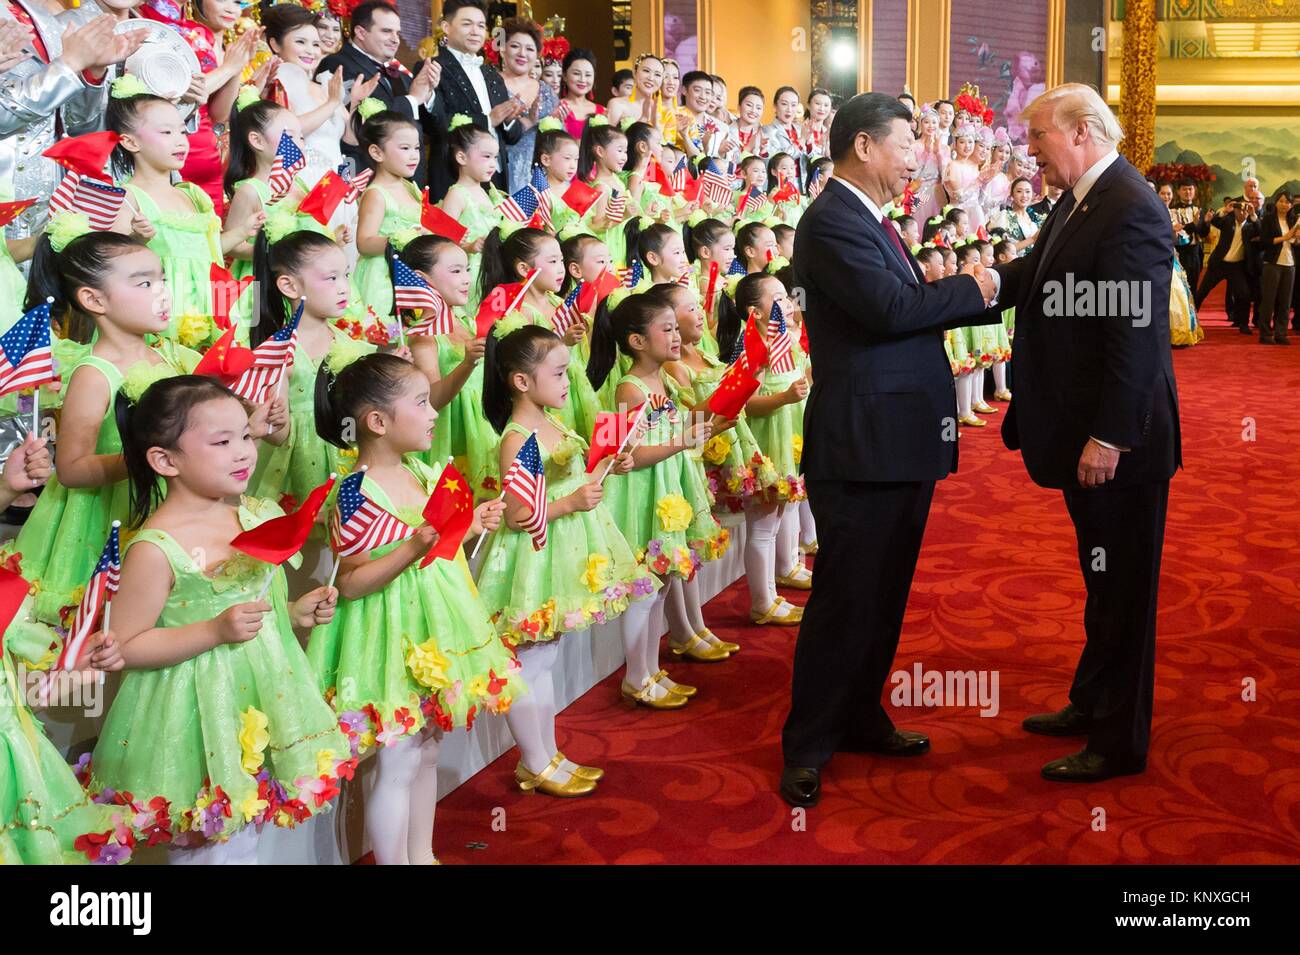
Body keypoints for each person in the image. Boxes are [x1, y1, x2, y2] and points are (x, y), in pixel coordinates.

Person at [779, 92, 998, 809]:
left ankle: (860, 712)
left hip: (899, 439)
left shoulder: (868, 218)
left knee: (884, 593)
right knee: (846, 596)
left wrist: (995, 286)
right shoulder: (833, 221)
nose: (916, 157)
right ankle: (807, 742)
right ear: (864, 146)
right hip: (862, 442)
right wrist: (983, 286)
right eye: (907, 144)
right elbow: (895, 311)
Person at [992, 83, 1179, 783]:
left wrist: (1109, 437)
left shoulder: (1130, 207)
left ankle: (1118, 742)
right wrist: (975, 285)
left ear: (1081, 131)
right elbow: (1037, 277)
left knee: (1125, 595)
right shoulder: (1082, 198)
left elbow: (1136, 340)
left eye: (1038, 136)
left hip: (1120, 447)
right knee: (1102, 584)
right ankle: (1091, 701)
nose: (1030, 150)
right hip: (1084, 437)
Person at [0, 6, 143, 240]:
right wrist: (68, 64)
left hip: (52, 189)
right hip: (7, 186)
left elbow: (75, 124)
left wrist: (92, 73)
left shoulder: (44, 18)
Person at [316, 0, 441, 186]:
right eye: (386, 31)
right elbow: (360, 124)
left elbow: (437, 129)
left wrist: (428, 95)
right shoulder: (337, 65)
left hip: (409, 183)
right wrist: (412, 99)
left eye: (397, 33)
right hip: (366, 177)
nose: (395, 39)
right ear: (360, 32)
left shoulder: (400, 73)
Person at [425, 0, 525, 201]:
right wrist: (488, 120)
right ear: (446, 27)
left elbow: (512, 137)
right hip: (453, 175)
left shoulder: (492, 74)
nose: (475, 31)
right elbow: (436, 123)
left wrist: (509, 120)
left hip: (495, 176)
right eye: (466, 24)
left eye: (481, 26)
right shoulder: (433, 67)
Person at [499, 17, 557, 195]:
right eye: (515, 46)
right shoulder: (491, 83)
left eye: (530, 49)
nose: (522, 54)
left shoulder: (546, 92)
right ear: (503, 49)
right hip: (498, 168)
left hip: (538, 174)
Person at [1193, 196, 1257, 333]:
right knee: (1202, 292)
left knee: (1244, 294)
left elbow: (1260, 230)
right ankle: (1190, 320)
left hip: (1237, 267)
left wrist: (1253, 214)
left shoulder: (1251, 227)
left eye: (1245, 211)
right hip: (1219, 265)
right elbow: (1216, 221)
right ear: (1234, 211)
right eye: (1239, 210)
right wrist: (1225, 210)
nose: (1242, 213)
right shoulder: (1228, 221)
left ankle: (1244, 324)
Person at [1255, 188, 1298, 345]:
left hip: (1290, 264)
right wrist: (1284, 237)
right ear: (1276, 202)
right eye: (1281, 201)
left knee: (1285, 302)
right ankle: (1265, 334)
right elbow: (1264, 241)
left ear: (1291, 205)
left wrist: (1297, 239)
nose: (1284, 204)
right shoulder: (1268, 219)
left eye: (1287, 202)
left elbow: (1295, 244)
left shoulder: (1293, 221)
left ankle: (1281, 333)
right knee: (1268, 300)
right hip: (1272, 264)